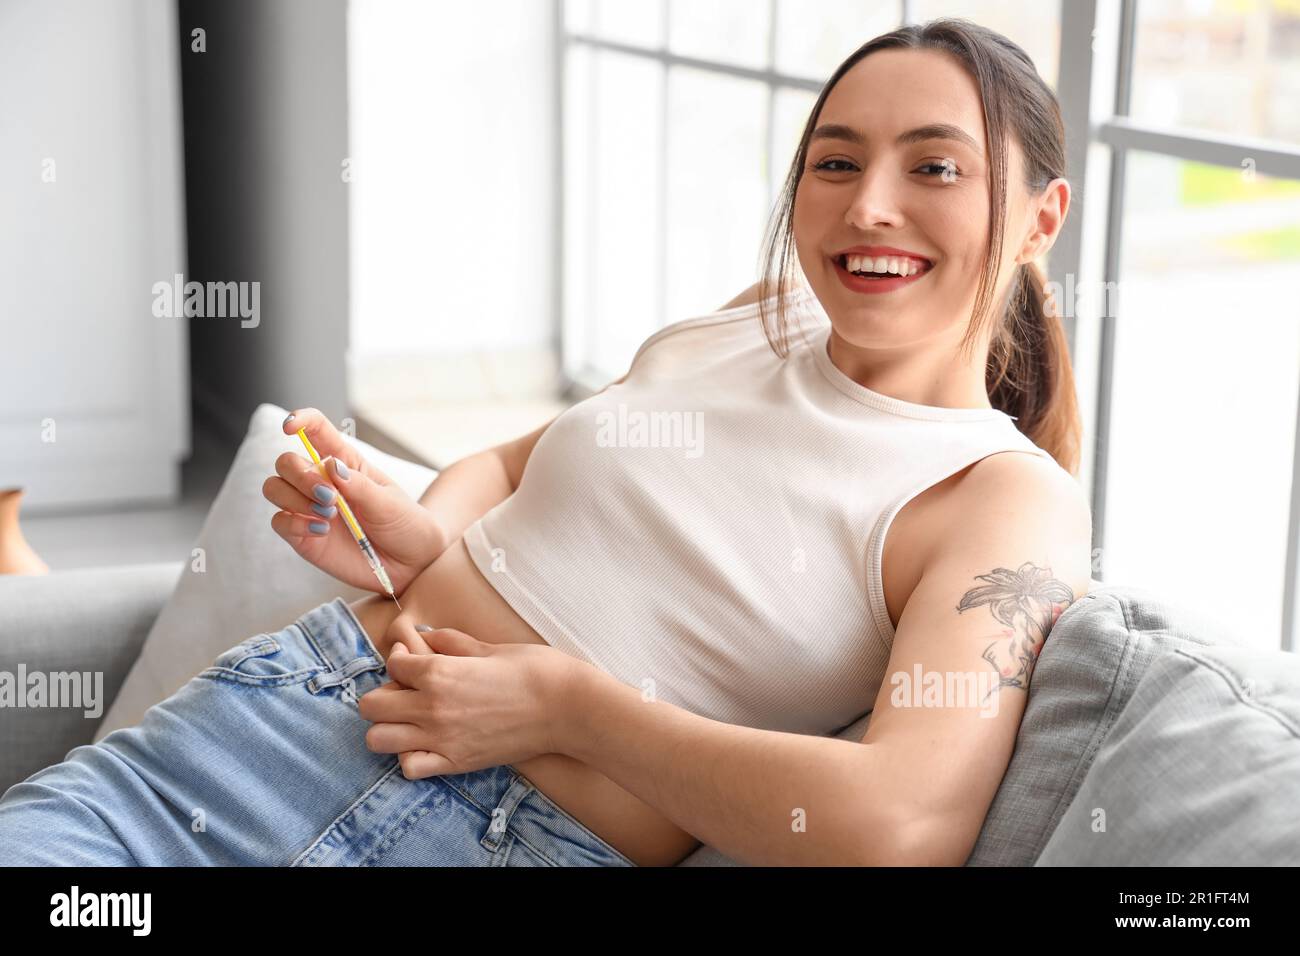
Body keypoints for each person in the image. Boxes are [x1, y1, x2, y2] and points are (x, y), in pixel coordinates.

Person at [0, 18, 1092, 867]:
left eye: (934, 168)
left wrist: (574, 707)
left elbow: (900, 823)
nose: (870, 208)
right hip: (274, 711)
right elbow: (520, 463)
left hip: (493, 834)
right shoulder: (752, 318)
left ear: (1041, 218)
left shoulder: (996, 492)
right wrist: (425, 535)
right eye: (836, 162)